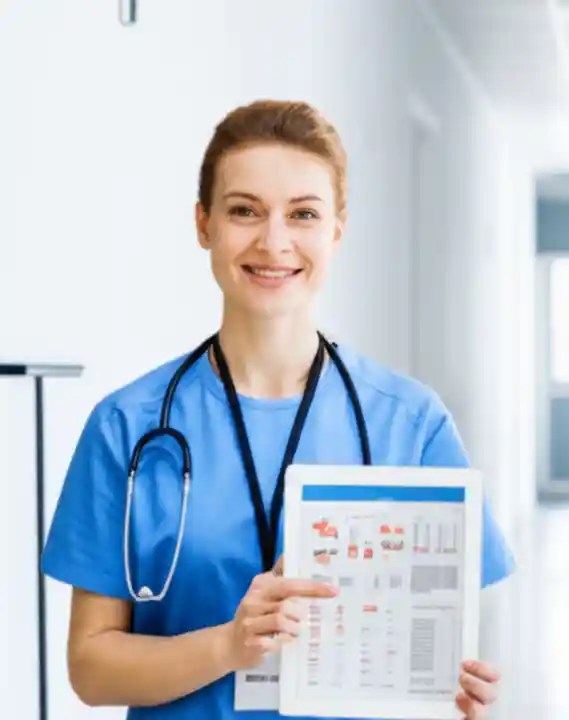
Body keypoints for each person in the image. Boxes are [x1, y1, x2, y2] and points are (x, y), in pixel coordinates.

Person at [39, 99, 514, 719]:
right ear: (203, 224)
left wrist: (458, 692)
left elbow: (442, 648)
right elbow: (91, 670)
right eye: (245, 211)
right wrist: (229, 646)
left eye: (304, 214)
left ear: (336, 232)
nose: (274, 242)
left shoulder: (410, 424)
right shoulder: (129, 427)